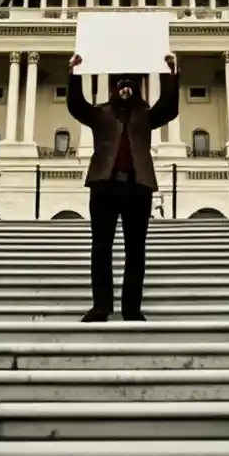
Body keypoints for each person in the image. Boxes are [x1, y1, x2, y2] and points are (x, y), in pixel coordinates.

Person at [67, 53, 179, 322]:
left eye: (130, 84)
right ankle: (101, 306)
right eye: (120, 85)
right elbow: (76, 105)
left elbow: (170, 108)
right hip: (104, 186)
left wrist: (172, 74)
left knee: (136, 250)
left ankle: (131, 308)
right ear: (114, 89)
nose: (125, 88)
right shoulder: (100, 113)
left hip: (137, 187)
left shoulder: (145, 115)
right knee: (101, 248)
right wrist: (72, 74)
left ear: (136, 88)